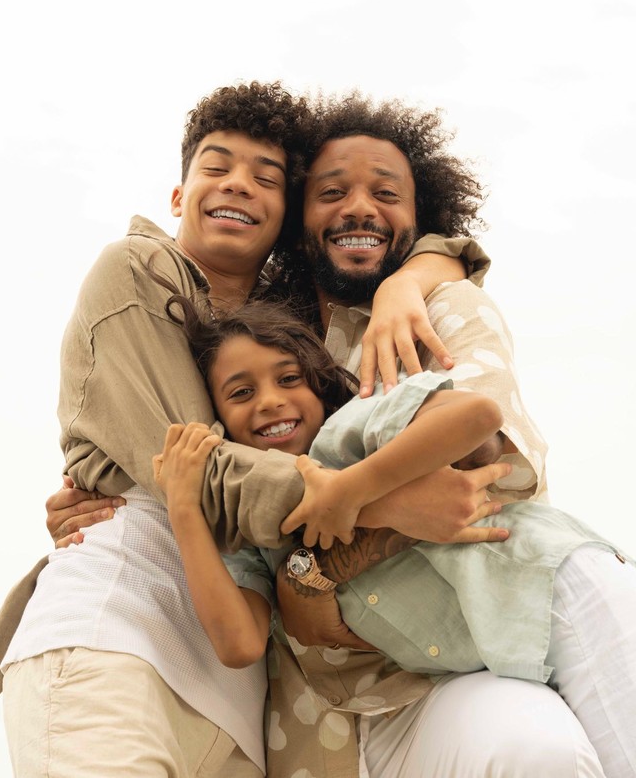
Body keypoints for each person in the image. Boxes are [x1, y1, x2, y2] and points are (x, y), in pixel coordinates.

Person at [38, 90, 625, 777]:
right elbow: (189, 457)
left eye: (386, 193)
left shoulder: (433, 307)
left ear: (420, 218)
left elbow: (482, 463)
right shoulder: (268, 337)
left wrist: (413, 281)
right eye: (330, 192)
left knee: (542, 750)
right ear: (298, 222)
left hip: (509, 620)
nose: (359, 207)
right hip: (331, 710)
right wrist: (130, 484)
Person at [156, 298, 635, 778]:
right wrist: (184, 508)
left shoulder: (351, 429)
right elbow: (239, 644)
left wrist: (351, 490)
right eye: (241, 392)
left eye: (288, 379)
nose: (269, 400)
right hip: (496, 658)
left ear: (318, 386)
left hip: (554, 592)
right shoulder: (253, 535)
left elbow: (479, 416)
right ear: (216, 417)